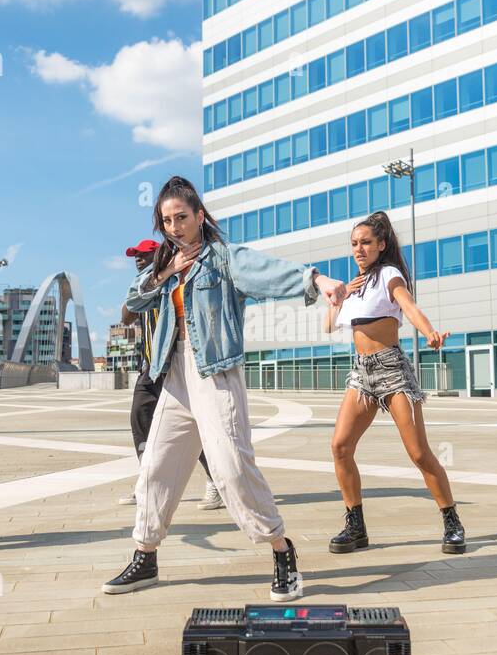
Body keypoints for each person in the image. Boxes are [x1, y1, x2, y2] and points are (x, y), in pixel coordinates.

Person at [103, 176, 347, 601]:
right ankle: (145, 556)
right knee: (156, 468)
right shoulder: (166, 261)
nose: (175, 226)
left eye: (182, 217)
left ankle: (281, 550)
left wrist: (317, 281)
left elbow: (267, 271)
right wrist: (164, 273)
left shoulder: (222, 258)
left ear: (200, 216)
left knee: (231, 467)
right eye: (167, 220)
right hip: (174, 374)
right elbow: (133, 302)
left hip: (214, 371)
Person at [322, 211, 467, 555]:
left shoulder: (389, 274)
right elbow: (329, 327)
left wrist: (429, 331)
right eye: (354, 244)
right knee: (340, 447)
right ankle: (355, 526)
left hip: (392, 370)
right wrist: (338, 297)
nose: (359, 249)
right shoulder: (353, 285)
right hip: (361, 373)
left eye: (366, 243)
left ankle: (452, 521)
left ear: (381, 245)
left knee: (419, 452)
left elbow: (409, 306)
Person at [118, 238, 221, 510]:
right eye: (135, 256)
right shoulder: (145, 286)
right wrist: (148, 282)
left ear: (160, 254)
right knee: (140, 422)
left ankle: (216, 483)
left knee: (192, 429)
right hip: (149, 369)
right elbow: (126, 317)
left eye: (143, 255)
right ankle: (147, 482)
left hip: (174, 367)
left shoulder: (176, 283)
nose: (137, 259)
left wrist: (165, 275)